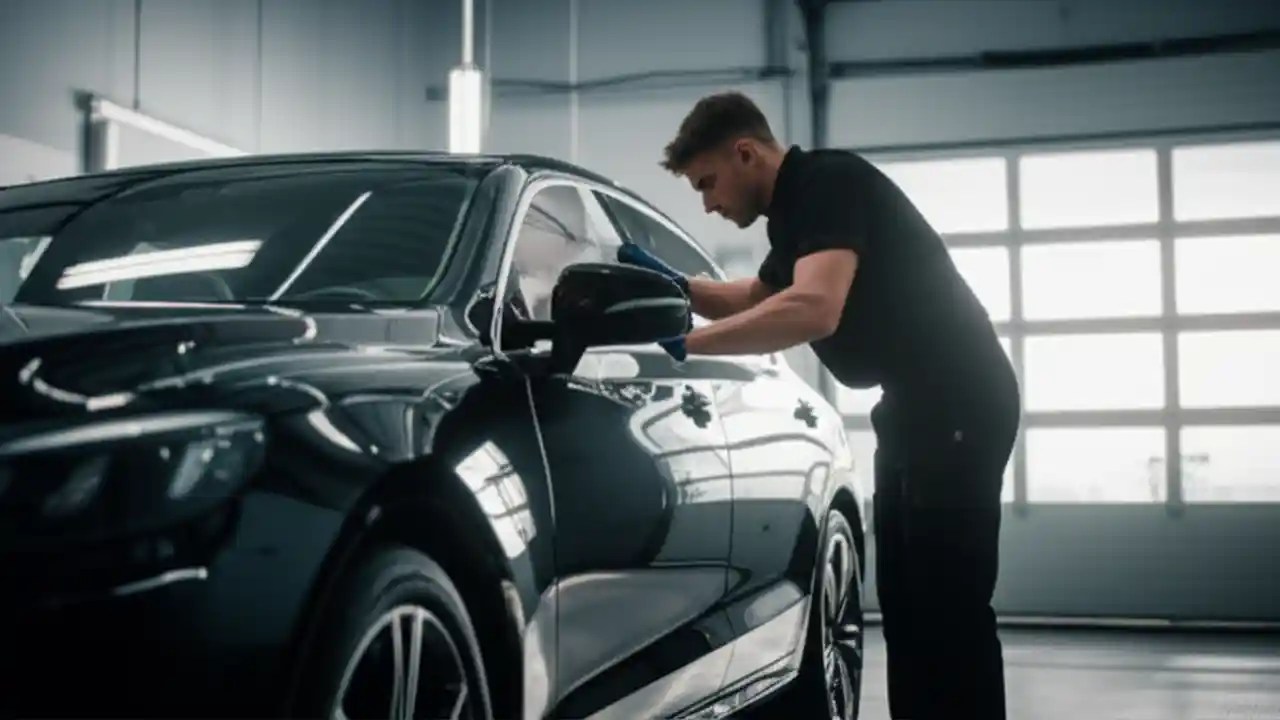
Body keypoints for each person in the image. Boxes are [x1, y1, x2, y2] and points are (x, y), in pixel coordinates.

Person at [617, 91, 1021, 719]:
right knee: (909, 607)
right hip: (916, 406)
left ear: (745, 153)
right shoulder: (795, 213)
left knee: (950, 604)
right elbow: (759, 293)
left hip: (959, 399)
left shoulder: (828, 185)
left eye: (708, 183)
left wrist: (685, 347)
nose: (708, 204)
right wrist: (676, 289)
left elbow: (812, 307)